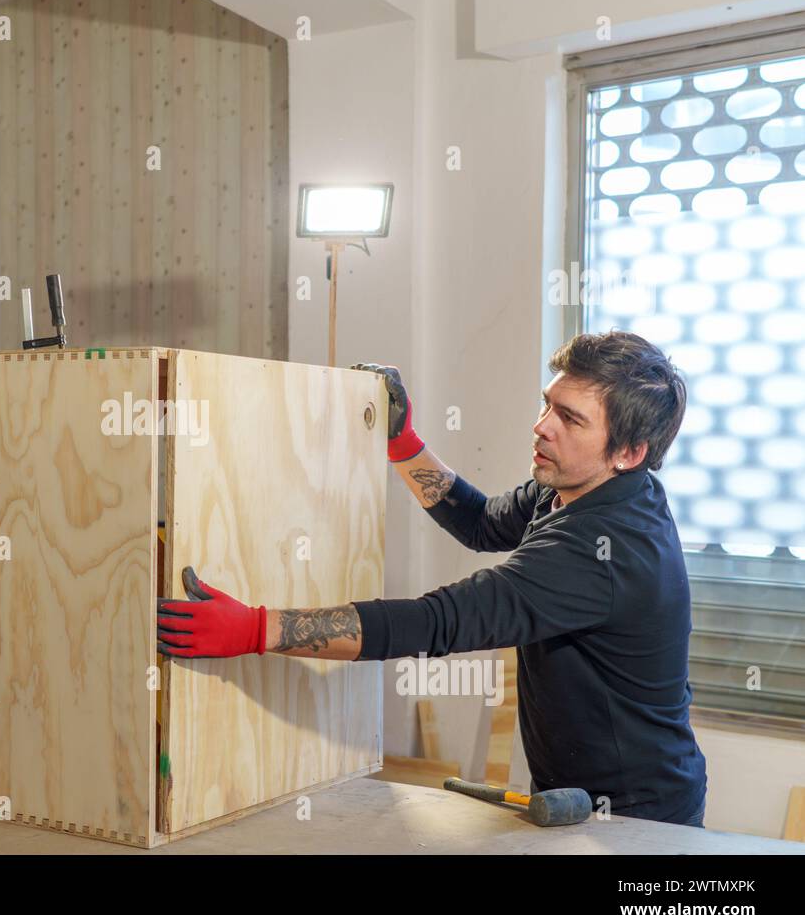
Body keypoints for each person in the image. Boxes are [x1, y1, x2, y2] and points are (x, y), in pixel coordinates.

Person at [157, 331, 708, 826]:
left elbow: (440, 621)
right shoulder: (575, 486)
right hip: (572, 797)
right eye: (548, 404)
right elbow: (481, 521)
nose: (542, 426)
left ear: (629, 453)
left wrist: (256, 628)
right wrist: (403, 443)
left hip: (639, 816)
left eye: (571, 419)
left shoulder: (603, 549)